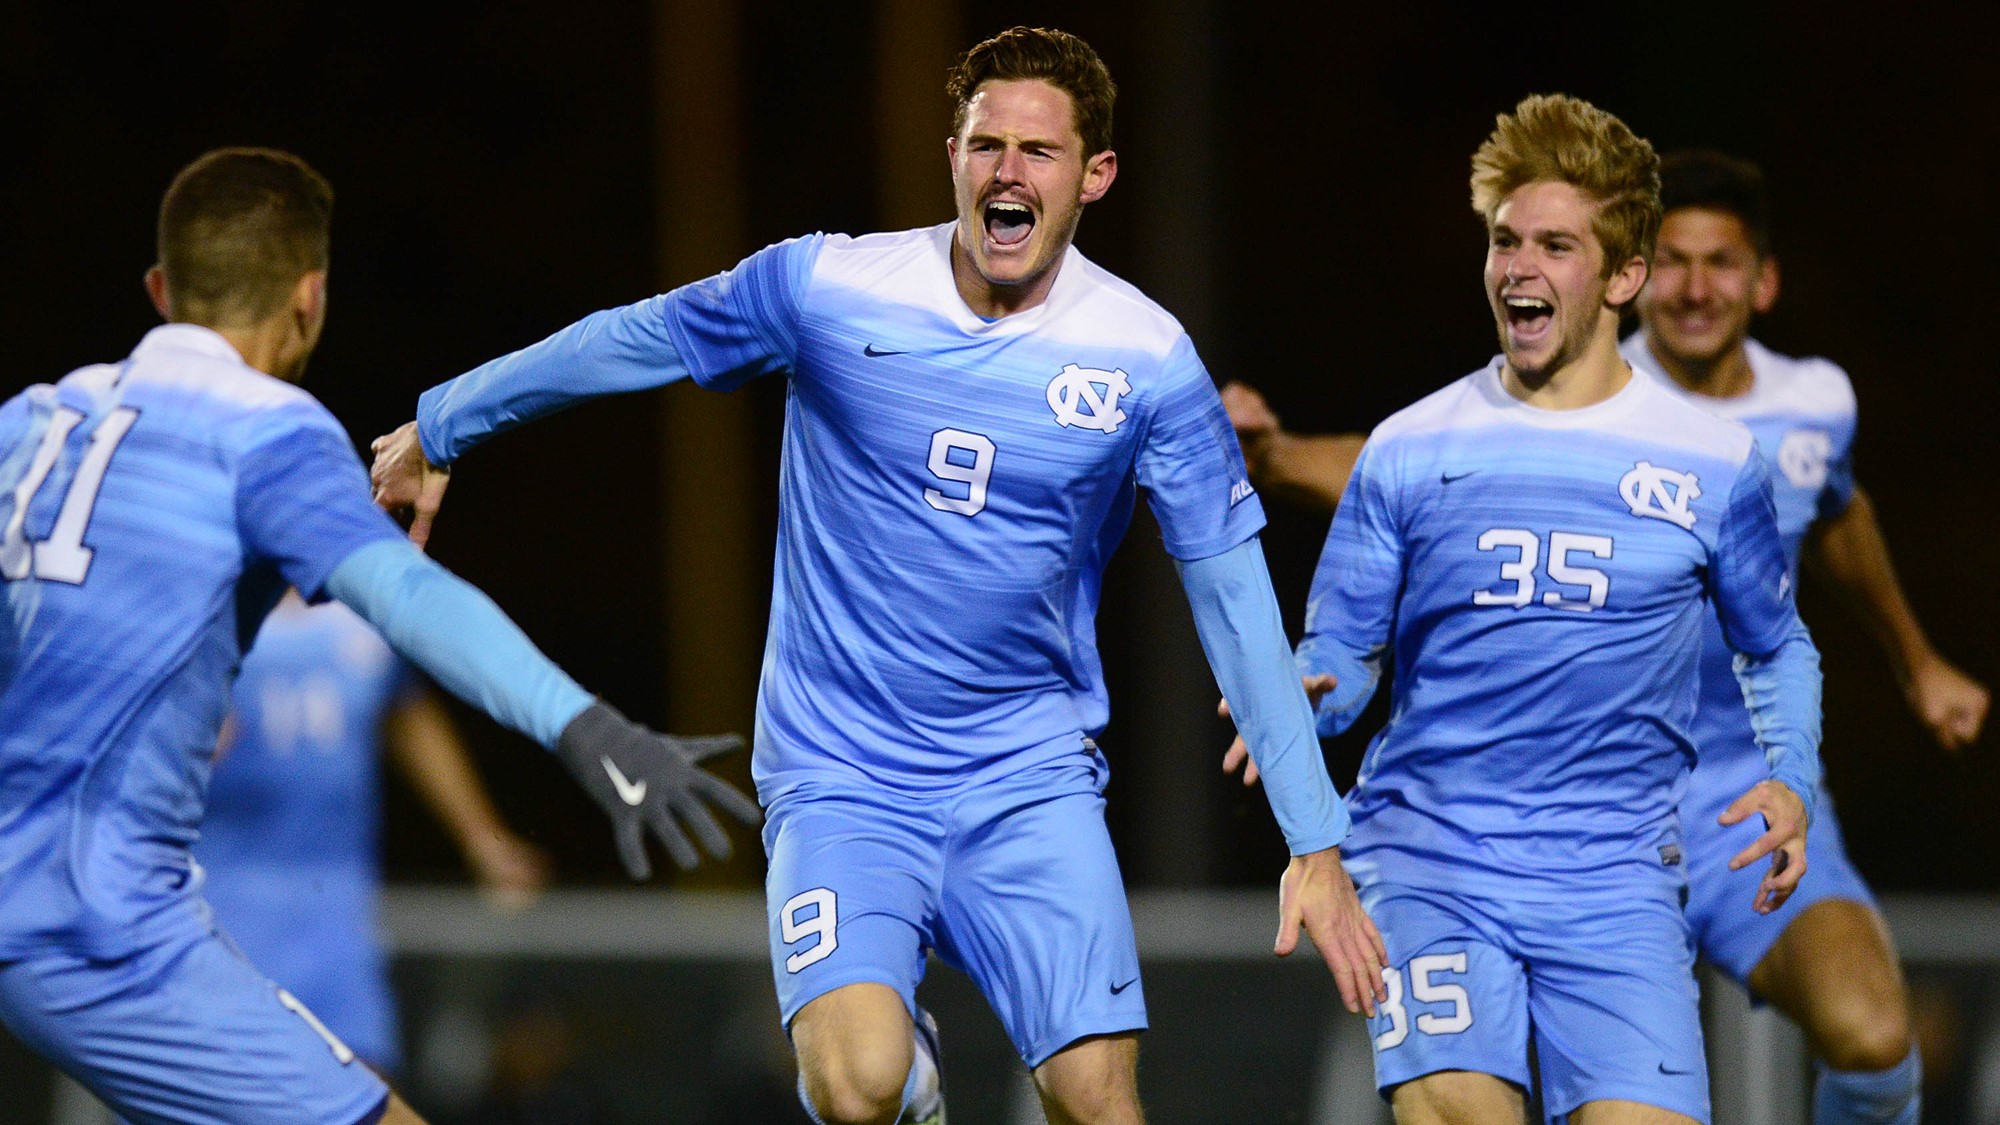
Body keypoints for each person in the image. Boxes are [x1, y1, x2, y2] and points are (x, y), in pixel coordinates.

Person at [369, 26, 1384, 1125]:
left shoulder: (1144, 357)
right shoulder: (827, 287)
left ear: (1094, 177)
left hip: (1024, 780)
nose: (1007, 171)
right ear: (950, 154)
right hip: (842, 773)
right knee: (857, 1086)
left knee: (1096, 1098)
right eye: (984, 143)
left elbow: (1230, 595)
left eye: (1038, 152)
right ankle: (917, 1082)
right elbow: (628, 341)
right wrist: (440, 425)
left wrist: (1312, 840)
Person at [0, 147, 758, 1125]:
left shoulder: (34, 421)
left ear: (160, 289)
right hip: (102, 935)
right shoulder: (265, 430)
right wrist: (588, 729)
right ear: (308, 297)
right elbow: (404, 594)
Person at [1231, 95, 1824, 1124]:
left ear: (1620, 276)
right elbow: (1343, 649)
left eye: (1554, 245)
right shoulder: (1411, 447)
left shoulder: (1714, 463)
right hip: (1431, 861)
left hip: (1617, 884)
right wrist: (1303, 695)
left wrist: (1790, 778)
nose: (1517, 268)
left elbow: (1773, 649)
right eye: (1504, 240)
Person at [1617, 149, 1988, 1125]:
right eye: (1669, 259)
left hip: (1754, 794)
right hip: (1595, 805)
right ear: (1629, 275)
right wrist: (1276, 461)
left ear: (1762, 280)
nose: (1695, 287)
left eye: (1720, 262)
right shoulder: (1570, 398)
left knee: (1873, 1040)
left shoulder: (1812, 402)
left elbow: (1834, 512)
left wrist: (1916, 664)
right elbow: (1409, 467)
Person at [197, 592, 554, 1074]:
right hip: (215, 911)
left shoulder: (360, 608)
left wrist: (484, 840)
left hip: (337, 920)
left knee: (362, 1088)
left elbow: (409, 714)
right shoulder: (204, 608)